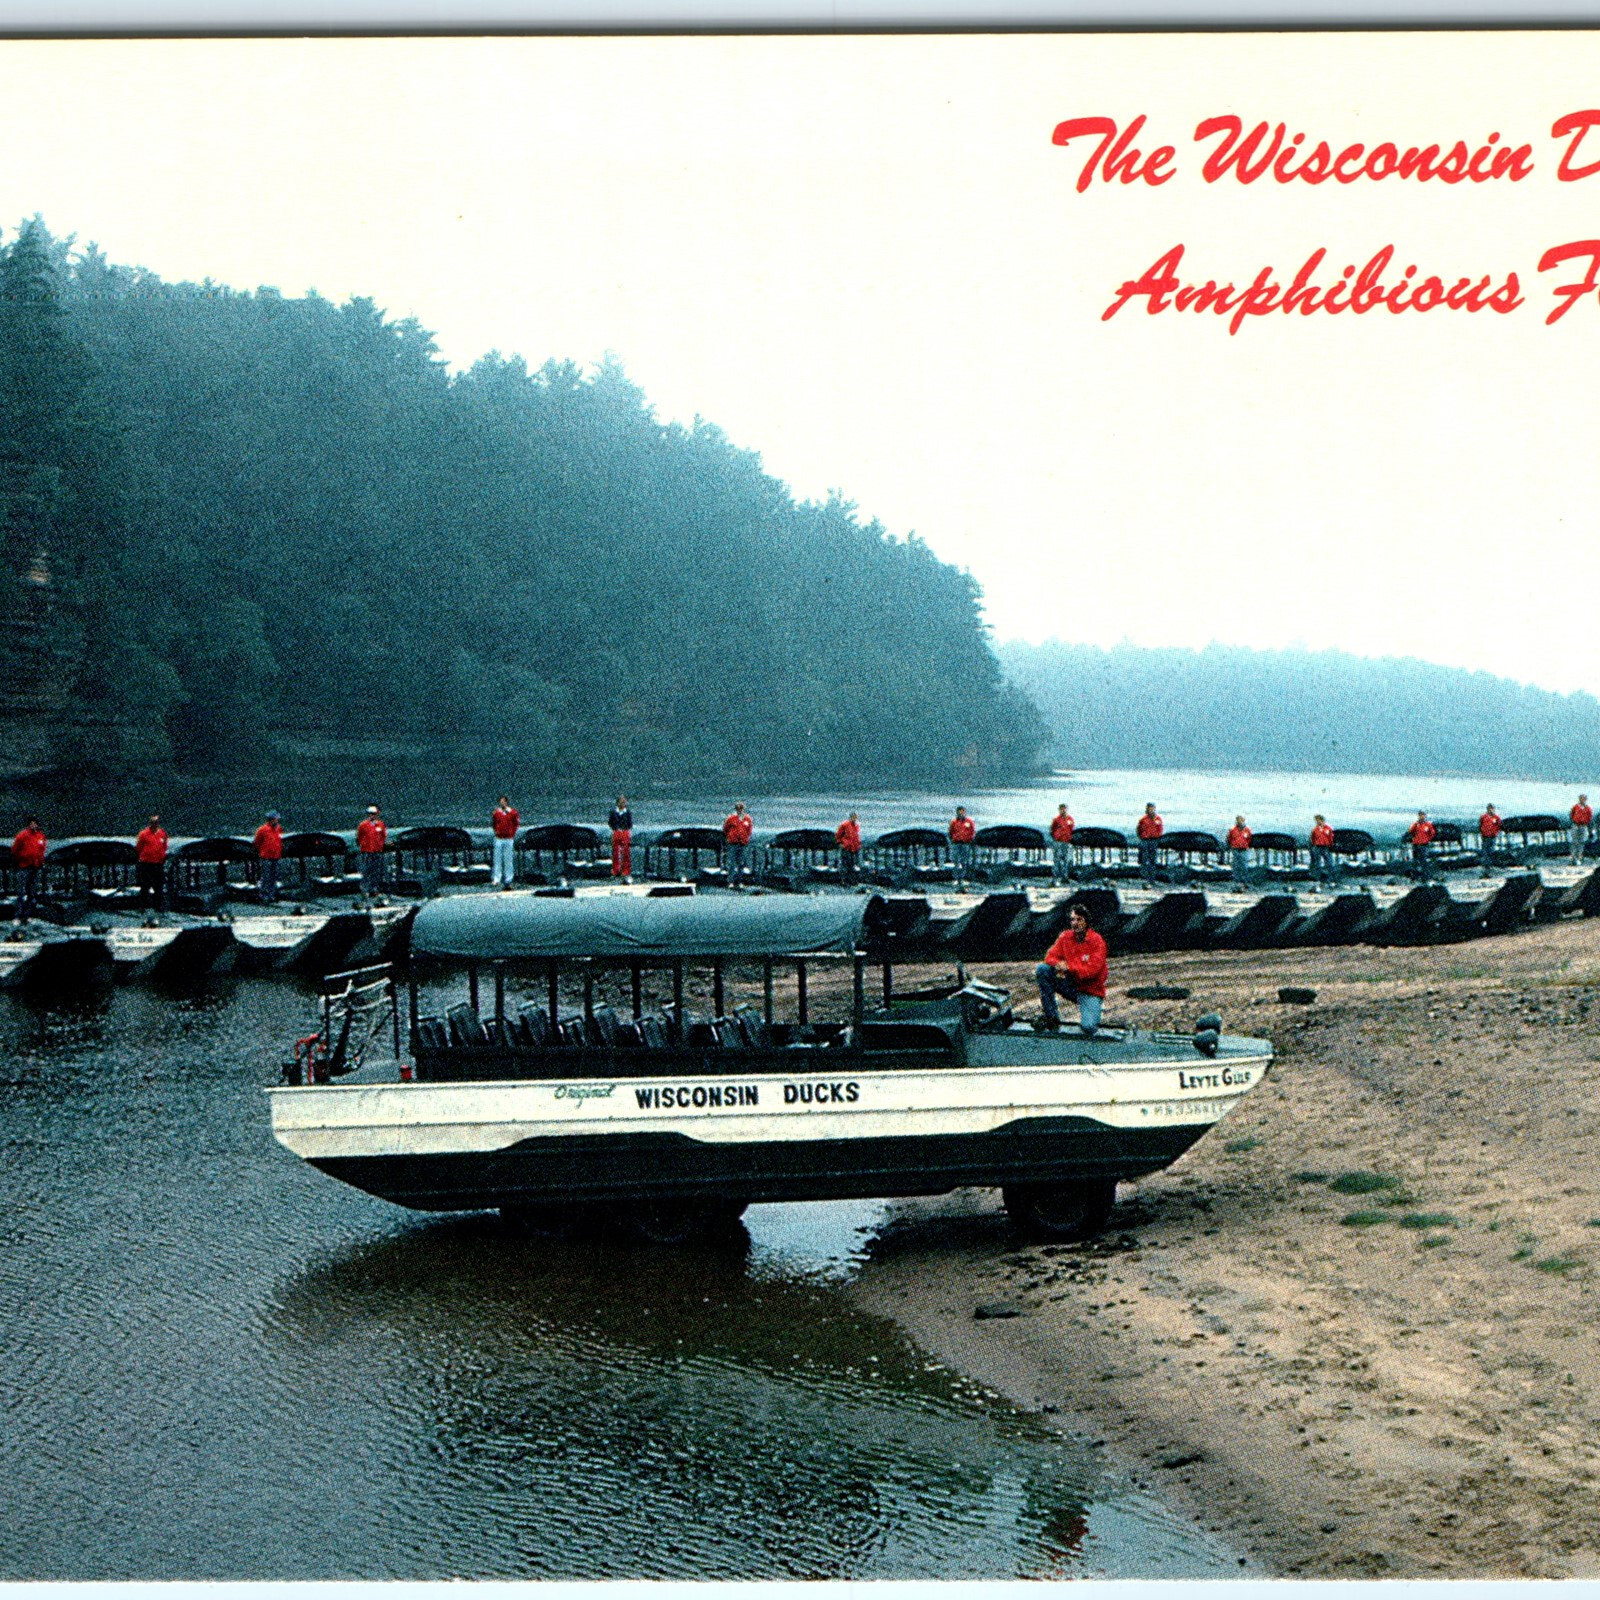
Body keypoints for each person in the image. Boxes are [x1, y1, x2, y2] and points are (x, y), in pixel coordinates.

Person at [1035, 902, 1108, 1036]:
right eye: (1072, 919)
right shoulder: (1065, 937)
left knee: (1089, 1027)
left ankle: (1092, 1009)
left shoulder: (1097, 941)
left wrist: (1069, 968)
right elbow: (1049, 957)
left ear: (1087, 922)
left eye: (1079, 919)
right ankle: (1052, 1019)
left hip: (1090, 990)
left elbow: (1092, 971)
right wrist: (1059, 965)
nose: (1075, 923)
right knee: (1043, 970)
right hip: (1071, 986)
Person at [11, 816, 46, 924]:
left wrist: (40, 862)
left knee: (32, 893)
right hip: (24, 867)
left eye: (35, 824)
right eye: (31, 823)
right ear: (28, 825)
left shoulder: (41, 836)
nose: (33, 825)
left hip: (35, 867)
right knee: (21, 892)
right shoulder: (22, 835)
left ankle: (28, 915)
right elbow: (15, 850)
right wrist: (21, 860)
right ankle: (17, 916)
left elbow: (42, 850)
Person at [134, 813, 169, 914]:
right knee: (145, 887)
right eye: (152, 822)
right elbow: (138, 848)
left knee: (158, 887)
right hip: (146, 864)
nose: (154, 824)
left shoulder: (163, 834)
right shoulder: (143, 834)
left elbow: (165, 847)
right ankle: (142, 907)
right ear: (150, 823)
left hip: (158, 864)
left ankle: (158, 907)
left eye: (156, 822)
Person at [356, 805, 387, 904]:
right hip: (367, 852)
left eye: (373, 814)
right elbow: (359, 837)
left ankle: (375, 889)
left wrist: (380, 846)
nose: (372, 815)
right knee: (366, 871)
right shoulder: (363, 825)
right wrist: (364, 846)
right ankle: (365, 890)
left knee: (377, 871)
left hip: (377, 851)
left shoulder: (381, 825)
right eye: (370, 814)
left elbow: (383, 836)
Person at [490, 795, 520, 889]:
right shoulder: (496, 813)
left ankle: (508, 878)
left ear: (507, 802)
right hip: (499, 838)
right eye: (500, 801)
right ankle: (496, 879)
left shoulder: (513, 812)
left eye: (504, 801)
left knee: (508, 860)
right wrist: (497, 832)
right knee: (497, 859)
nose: (502, 803)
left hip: (508, 839)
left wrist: (512, 833)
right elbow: (494, 823)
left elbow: (516, 824)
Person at [254, 810, 284, 905]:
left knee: (274, 877)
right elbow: (257, 842)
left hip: (276, 857)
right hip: (266, 857)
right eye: (275, 819)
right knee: (266, 877)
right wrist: (263, 851)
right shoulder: (262, 829)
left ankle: (272, 895)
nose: (277, 821)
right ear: (271, 819)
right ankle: (264, 896)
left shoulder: (279, 829)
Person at [723, 802, 753, 885]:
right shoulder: (731, 818)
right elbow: (725, 829)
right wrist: (731, 836)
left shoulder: (747, 819)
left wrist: (745, 838)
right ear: (736, 809)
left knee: (741, 863)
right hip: (733, 843)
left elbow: (749, 830)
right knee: (732, 863)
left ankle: (739, 881)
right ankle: (730, 881)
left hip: (743, 843)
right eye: (738, 808)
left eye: (741, 808)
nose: (740, 810)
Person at [1136, 802, 1163, 884]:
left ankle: (1152, 878)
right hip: (1145, 840)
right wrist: (1142, 837)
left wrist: (1157, 837)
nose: (1151, 810)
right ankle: (1143, 877)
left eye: (1152, 809)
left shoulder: (1158, 819)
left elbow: (1160, 829)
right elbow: (1139, 830)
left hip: (1154, 841)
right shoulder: (1143, 820)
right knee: (1144, 859)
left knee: (1153, 860)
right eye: (1149, 809)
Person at [948, 806, 976, 886]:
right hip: (956, 843)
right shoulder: (953, 822)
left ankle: (963, 878)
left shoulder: (969, 821)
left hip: (966, 844)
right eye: (959, 812)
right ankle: (956, 878)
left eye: (962, 812)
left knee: (964, 861)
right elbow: (950, 832)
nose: (961, 814)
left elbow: (972, 831)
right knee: (956, 861)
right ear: (957, 813)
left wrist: (969, 839)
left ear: (965, 812)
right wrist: (953, 839)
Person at [1405, 811, 1437, 881]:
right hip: (1416, 845)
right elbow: (1410, 831)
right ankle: (1414, 876)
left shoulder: (1428, 825)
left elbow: (1432, 833)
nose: (1421, 817)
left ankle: (1425, 877)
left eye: (1423, 815)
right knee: (1415, 861)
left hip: (1424, 845)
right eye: (1420, 816)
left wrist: (1427, 839)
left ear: (1425, 816)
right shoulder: (1415, 824)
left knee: (1424, 861)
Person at [609, 795, 633, 882]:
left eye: (624, 802)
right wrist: (616, 829)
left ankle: (625, 871)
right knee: (615, 852)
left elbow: (630, 823)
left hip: (625, 832)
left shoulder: (628, 812)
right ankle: (616, 871)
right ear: (617, 802)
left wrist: (624, 829)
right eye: (621, 802)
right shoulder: (613, 812)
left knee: (626, 852)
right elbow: (610, 822)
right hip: (616, 832)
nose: (623, 803)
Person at [1049, 803, 1075, 885]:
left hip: (1067, 842)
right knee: (1057, 860)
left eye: (1064, 809)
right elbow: (1052, 829)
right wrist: (1056, 837)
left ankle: (1065, 877)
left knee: (1066, 860)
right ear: (1059, 810)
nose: (1063, 810)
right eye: (1061, 809)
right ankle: (1055, 878)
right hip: (1058, 842)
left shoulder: (1070, 819)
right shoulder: (1056, 820)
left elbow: (1072, 829)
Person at [1309, 814, 1337, 887]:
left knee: (1329, 862)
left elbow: (1330, 837)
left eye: (1319, 820)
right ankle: (1317, 877)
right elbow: (1312, 838)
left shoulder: (1328, 829)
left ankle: (1330, 877)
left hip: (1326, 847)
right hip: (1317, 846)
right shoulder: (1315, 829)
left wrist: (1331, 845)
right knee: (1316, 862)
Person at [836, 811, 862, 883]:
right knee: (845, 864)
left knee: (852, 864)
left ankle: (851, 880)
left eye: (856, 817)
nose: (855, 819)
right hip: (846, 847)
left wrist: (858, 845)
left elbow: (856, 836)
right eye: (853, 817)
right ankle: (843, 880)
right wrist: (840, 843)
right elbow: (838, 835)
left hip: (854, 848)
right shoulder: (844, 825)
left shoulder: (857, 825)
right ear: (850, 817)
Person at [1226, 815, 1253, 888]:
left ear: (1244, 820)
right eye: (1238, 820)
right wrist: (1233, 845)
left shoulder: (1247, 830)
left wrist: (1245, 844)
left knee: (1244, 865)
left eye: (1241, 820)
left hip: (1244, 849)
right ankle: (1237, 881)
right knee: (1236, 865)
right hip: (1235, 849)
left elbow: (1249, 839)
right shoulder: (1232, 830)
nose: (1239, 821)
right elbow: (1229, 839)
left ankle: (1244, 881)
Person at [1478, 804, 1501, 876]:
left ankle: (1490, 865)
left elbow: (1499, 825)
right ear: (1487, 809)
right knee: (1485, 851)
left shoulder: (1496, 817)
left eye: (1492, 809)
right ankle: (1485, 866)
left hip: (1493, 837)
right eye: (1489, 809)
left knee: (1491, 851)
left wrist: (1496, 832)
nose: (1491, 810)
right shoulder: (1483, 817)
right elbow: (1480, 825)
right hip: (1485, 837)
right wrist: (1482, 832)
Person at [1571, 794, 1593, 866]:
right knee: (1575, 842)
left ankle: (1579, 857)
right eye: (1581, 798)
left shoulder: (1588, 808)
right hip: (1576, 825)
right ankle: (1574, 858)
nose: (1582, 800)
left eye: (1584, 799)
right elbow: (1571, 814)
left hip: (1583, 826)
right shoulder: (1575, 807)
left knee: (1581, 842)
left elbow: (1590, 817)